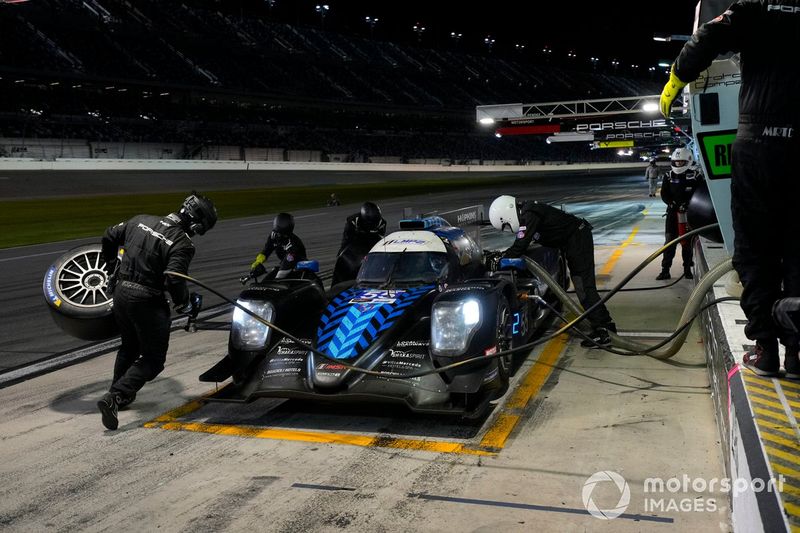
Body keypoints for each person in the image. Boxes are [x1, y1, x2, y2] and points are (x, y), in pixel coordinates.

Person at [659, 0, 800, 377]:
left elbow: (709, 35)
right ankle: (798, 352)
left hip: (758, 143)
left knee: (755, 250)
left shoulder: (758, 10)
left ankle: (765, 349)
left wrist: (676, 79)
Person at [96, 192, 217, 430]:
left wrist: (111, 266)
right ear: (195, 223)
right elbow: (174, 278)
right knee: (153, 358)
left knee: (129, 346)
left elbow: (109, 235)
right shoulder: (183, 243)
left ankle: (118, 395)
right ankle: (115, 396)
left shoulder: (140, 219)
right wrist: (184, 303)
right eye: (201, 228)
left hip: (121, 293)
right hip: (147, 300)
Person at [489, 195, 616, 347]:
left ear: (507, 215)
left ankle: (605, 331)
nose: (509, 229)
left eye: (506, 225)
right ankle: (603, 327)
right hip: (575, 241)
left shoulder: (530, 213)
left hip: (578, 240)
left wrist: (502, 260)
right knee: (583, 288)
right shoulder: (530, 211)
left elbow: (521, 244)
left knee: (584, 288)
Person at [656, 147, 701, 281]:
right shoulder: (668, 175)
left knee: (687, 243)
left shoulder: (695, 176)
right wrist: (672, 204)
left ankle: (687, 270)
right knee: (669, 243)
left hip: (689, 215)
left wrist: (689, 204)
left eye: (681, 162)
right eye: (676, 162)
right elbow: (664, 193)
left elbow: (700, 193)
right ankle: (665, 270)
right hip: (672, 215)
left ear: (688, 161)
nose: (678, 164)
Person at [331, 202, 387, 285]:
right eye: (369, 223)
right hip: (355, 241)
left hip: (372, 241)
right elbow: (347, 240)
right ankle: (337, 283)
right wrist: (342, 254)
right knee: (342, 258)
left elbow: (380, 240)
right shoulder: (353, 221)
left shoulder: (382, 223)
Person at [249, 212, 307, 280]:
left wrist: (278, 277)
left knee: (277, 281)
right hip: (284, 265)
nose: (278, 235)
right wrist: (258, 261)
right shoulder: (273, 236)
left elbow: (290, 258)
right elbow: (267, 250)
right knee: (267, 280)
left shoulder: (292, 241)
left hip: (298, 266)